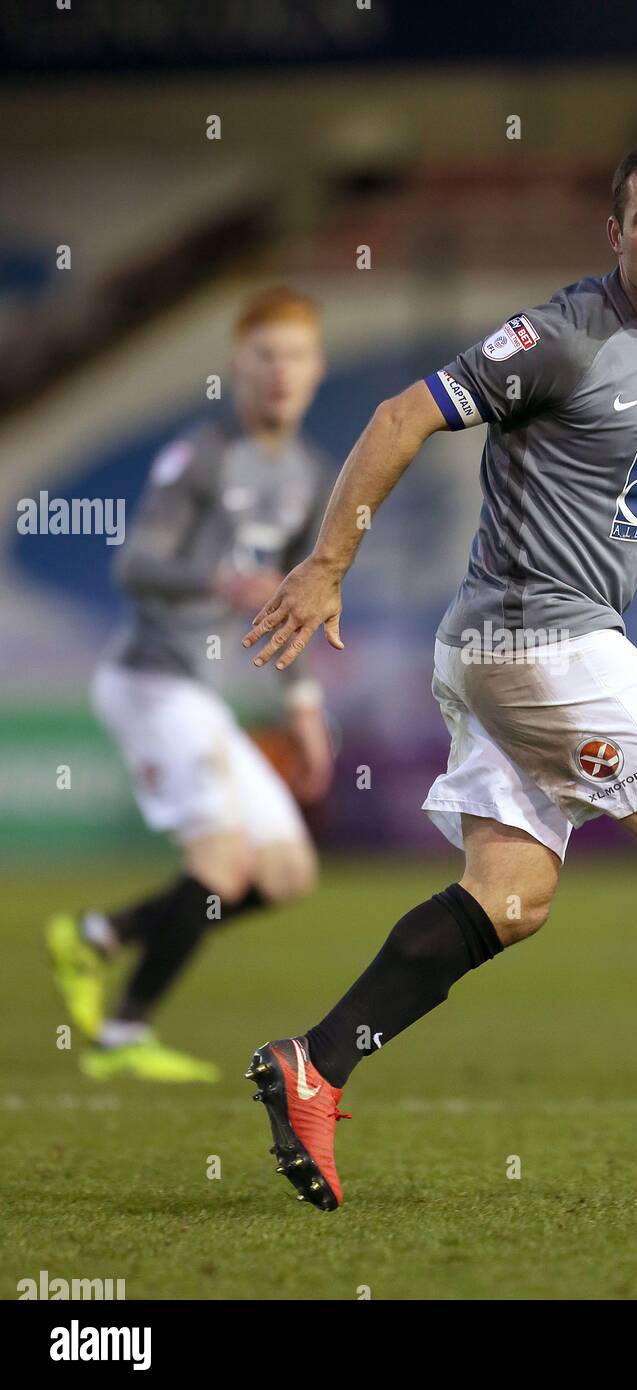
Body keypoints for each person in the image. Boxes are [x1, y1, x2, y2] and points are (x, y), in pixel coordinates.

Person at [240, 142, 637, 1209]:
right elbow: (399, 416)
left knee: (509, 895)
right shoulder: (557, 335)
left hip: (516, 649)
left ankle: (315, 1064)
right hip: (533, 634)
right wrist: (327, 563)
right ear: (615, 232)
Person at [46, 288, 335, 1082]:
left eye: (296, 356)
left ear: (317, 370)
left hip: (200, 695)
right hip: (149, 678)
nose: (281, 373)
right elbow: (133, 564)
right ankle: (120, 1034)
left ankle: (100, 934)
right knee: (221, 862)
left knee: (285, 874)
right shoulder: (201, 456)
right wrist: (217, 580)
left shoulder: (310, 474)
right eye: (265, 356)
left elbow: (294, 600)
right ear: (238, 368)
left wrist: (303, 707)